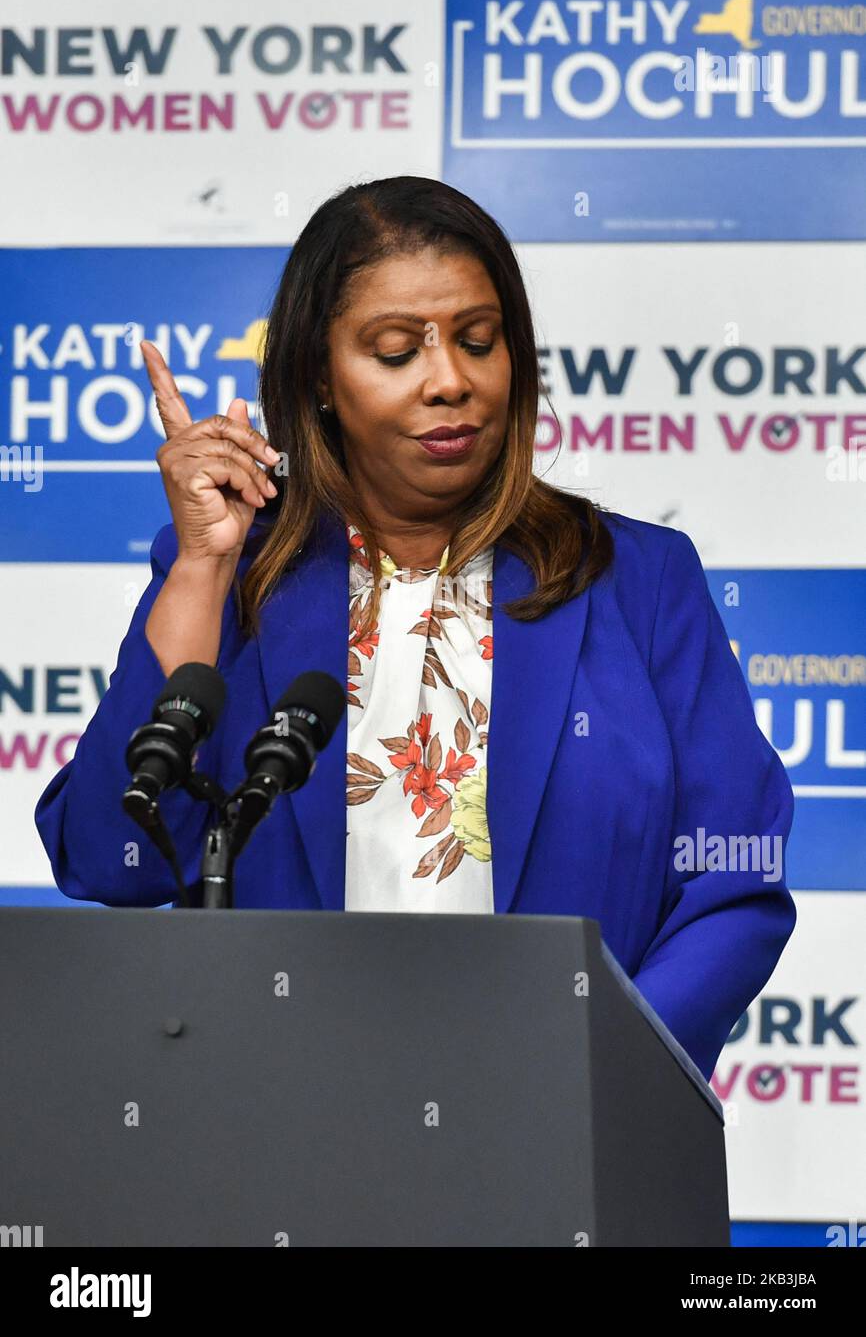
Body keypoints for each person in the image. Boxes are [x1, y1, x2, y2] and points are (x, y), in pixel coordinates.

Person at [34, 175, 796, 1081]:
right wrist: (202, 566)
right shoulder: (234, 576)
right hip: (277, 1141)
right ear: (319, 374)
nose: (451, 381)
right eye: (397, 351)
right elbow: (113, 859)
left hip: (568, 1141)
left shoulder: (636, 580)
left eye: (479, 341)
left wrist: (603, 1073)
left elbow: (733, 881)